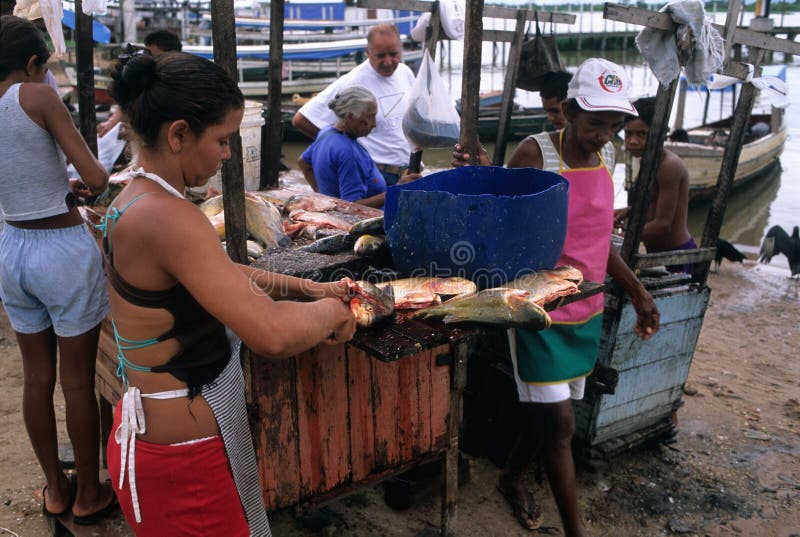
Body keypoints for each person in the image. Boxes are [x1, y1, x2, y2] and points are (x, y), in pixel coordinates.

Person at [104, 50, 356, 536]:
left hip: (152, 436)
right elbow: (272, 334)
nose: (226, 155)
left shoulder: (133, 199)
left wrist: (306, 287)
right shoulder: (169, 217)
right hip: (183, 461)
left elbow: (218, 270)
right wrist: (334, 311)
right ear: (179, 134)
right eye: (221, 140)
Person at [453, 58, 660, 536]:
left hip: (586, 309)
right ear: (568, 111)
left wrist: (637, 290)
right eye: (595, 123)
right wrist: (485, 176)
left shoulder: (609, 157)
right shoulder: (536, 153)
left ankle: (512, 477)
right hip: (538, 310)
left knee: (551, 414)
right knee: (563, 424)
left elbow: (599, 240)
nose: (604, 135)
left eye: (614, 125)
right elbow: (496, 218)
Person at [0, 16, 113, 524]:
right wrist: (84, 184)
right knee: (77, 382)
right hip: (61, 251)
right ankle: (88, 494)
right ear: (31, 63)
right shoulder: (39, 96)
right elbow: (96, 176)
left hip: (11, 249)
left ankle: (55, 488)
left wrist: (52, 186)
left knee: (36, 379)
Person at [292, 24, 416, 186]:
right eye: (380, 56)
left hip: (408, 172)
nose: (388, 62)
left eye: (393, 54)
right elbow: (301, 120)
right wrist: (346, 150)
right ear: (368, 52)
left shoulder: (405, 73)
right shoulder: (352, 82)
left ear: (401, 49)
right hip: (374, 174)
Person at [297, 87, 420, 207]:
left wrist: (323, 197)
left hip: (332, 209)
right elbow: (352, 206)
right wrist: (397, 189)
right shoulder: (349, 153)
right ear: (350, 117)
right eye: (370, 116)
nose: (374, 124)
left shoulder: (326, 133)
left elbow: (303, 162)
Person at [620, 96, 695, 274]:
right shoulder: (647, 161)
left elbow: (663, 224)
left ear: (662, 133)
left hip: (676, 255)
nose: (632, 141)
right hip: (657, 254)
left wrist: (622, 237)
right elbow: (653, 202)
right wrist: (629, 210)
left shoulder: (669, 166)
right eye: (628, 133)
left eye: (642, 134)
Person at [97, 30, 182, 138]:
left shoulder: (179, 84)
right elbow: (129, 98)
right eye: (149, 56)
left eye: (157, 58)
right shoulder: (147, 74)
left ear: (173, 56)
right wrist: (112, 122)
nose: (151, 61)